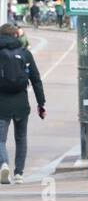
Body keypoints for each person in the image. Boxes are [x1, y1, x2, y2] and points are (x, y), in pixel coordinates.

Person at [0, 23, 45, 185]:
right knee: (21, 138)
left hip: (2, 103)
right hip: (21, 103)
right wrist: (41, 104)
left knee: (1, 140)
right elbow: (36, 80)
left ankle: (3, 163)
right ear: (16, 36)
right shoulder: (25, 53)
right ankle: (19, 173)